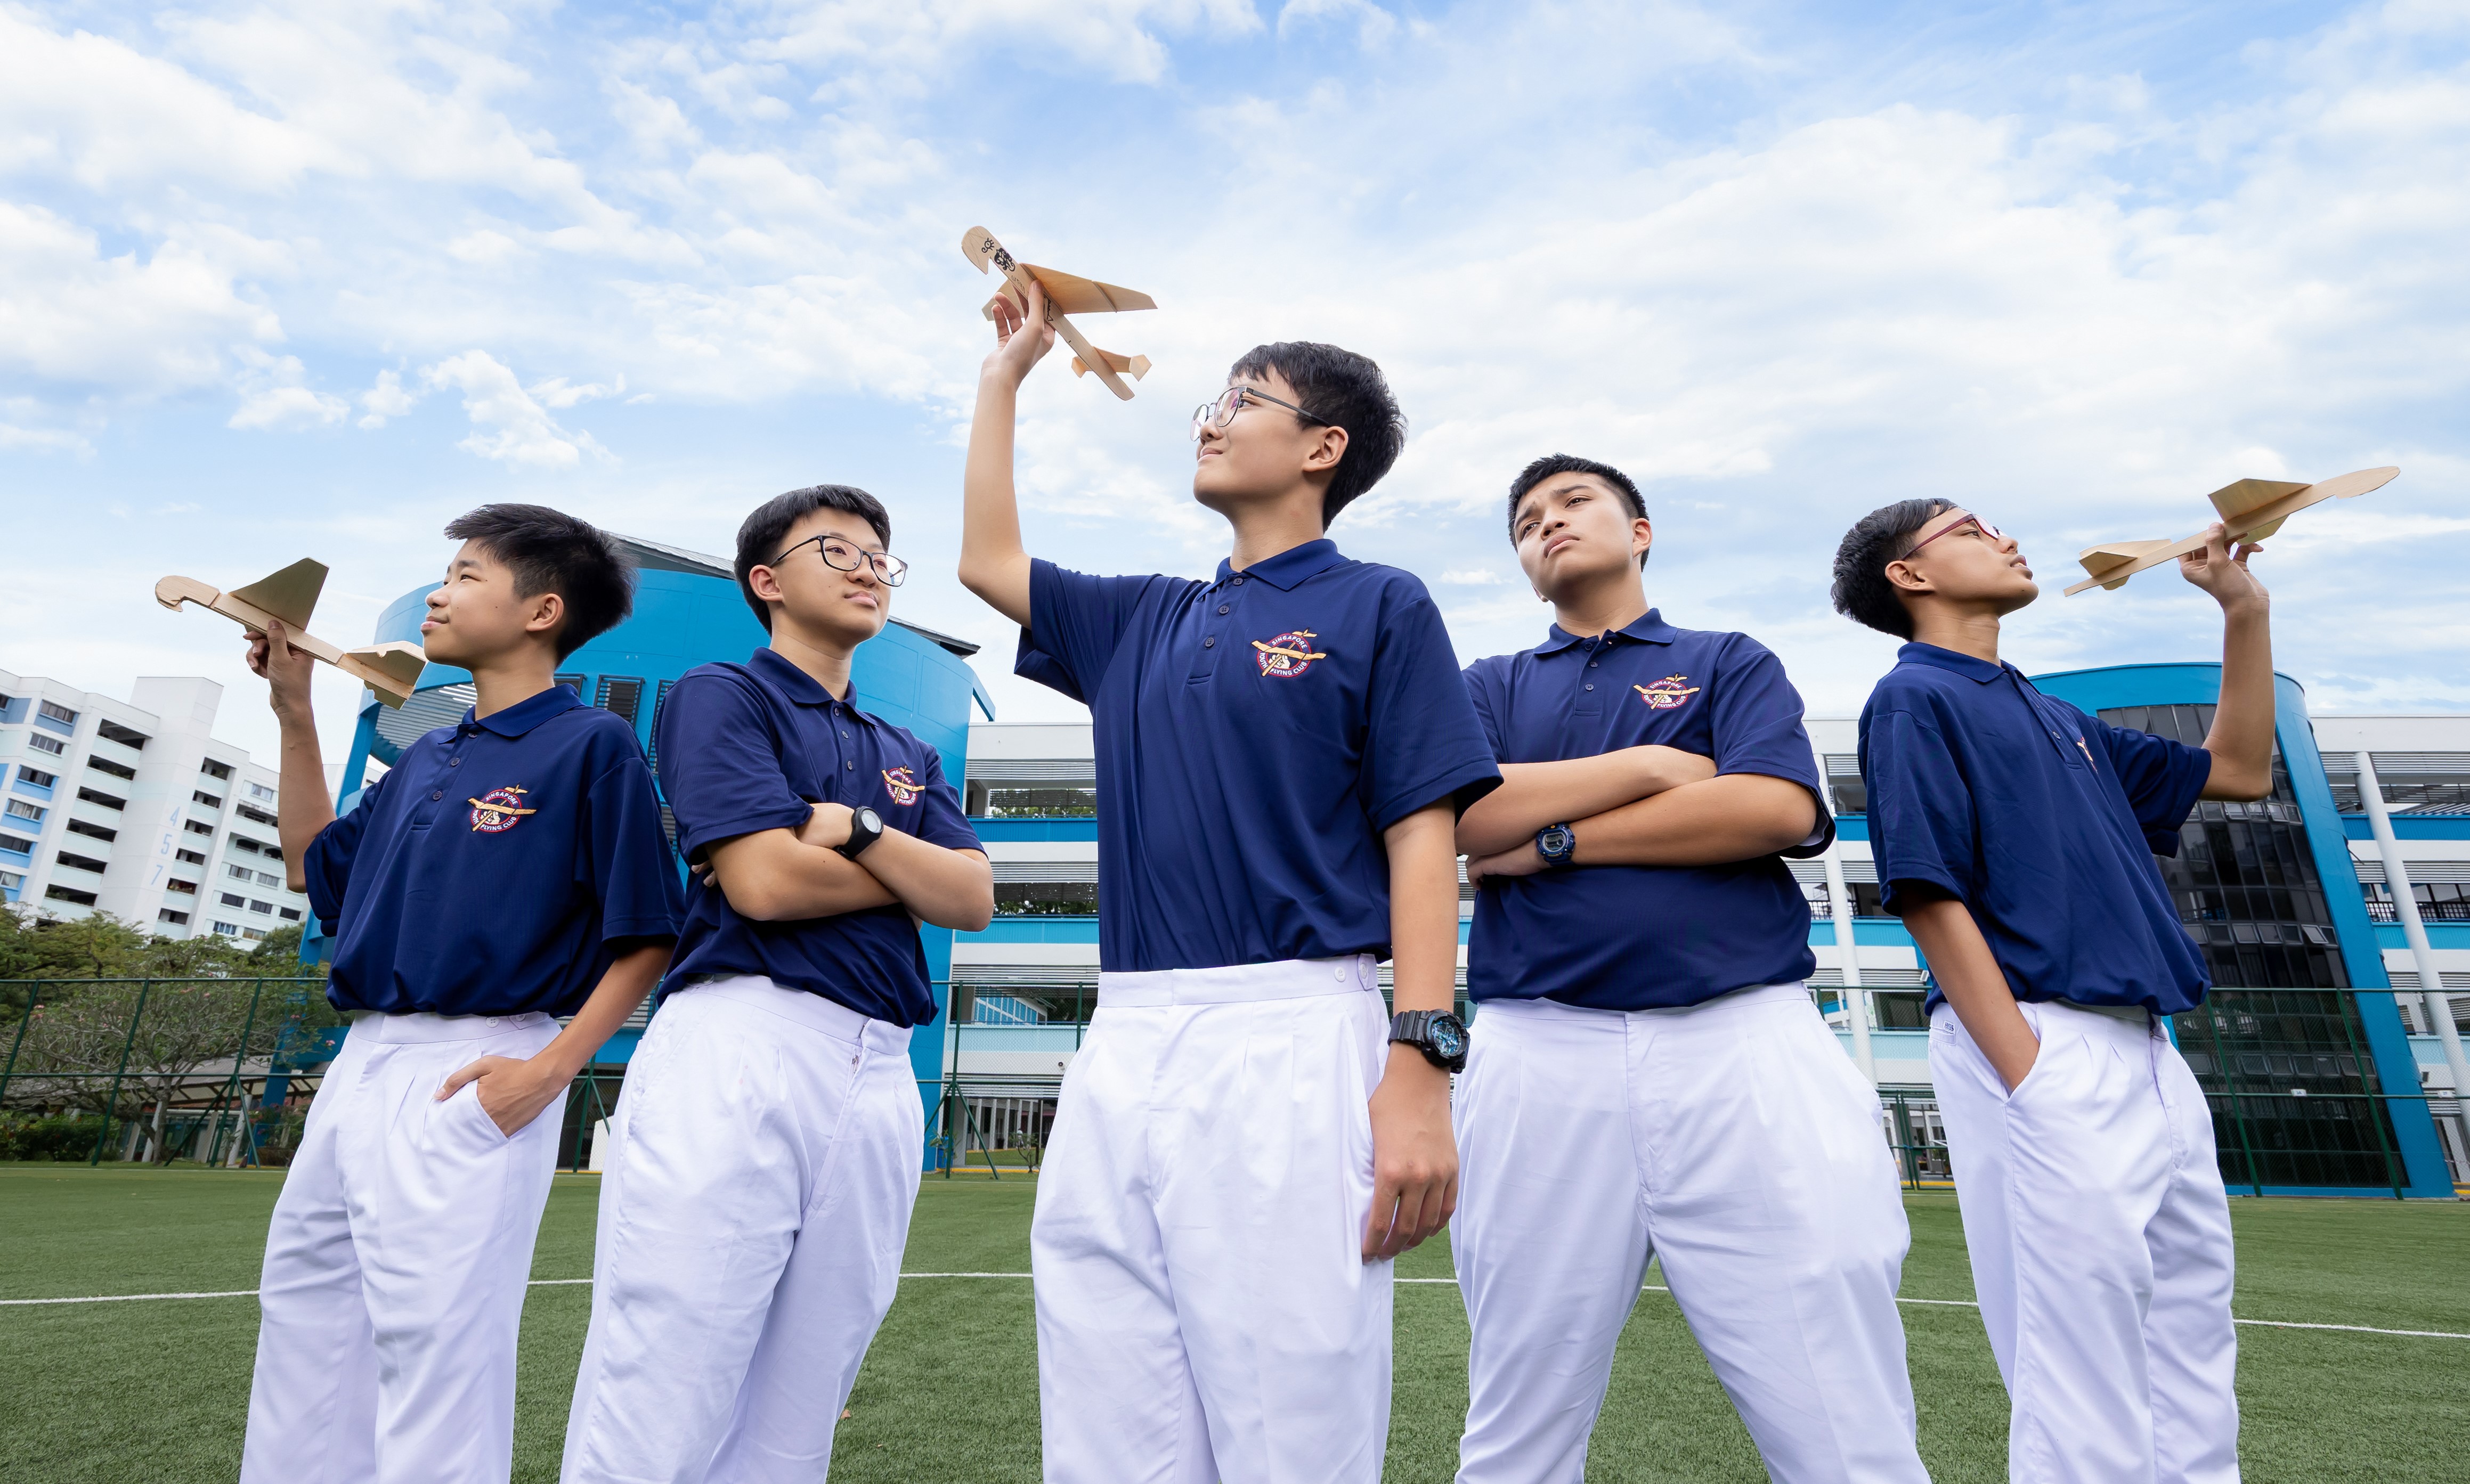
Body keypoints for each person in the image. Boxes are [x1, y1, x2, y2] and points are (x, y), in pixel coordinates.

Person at [958, 282, 1500, 1484]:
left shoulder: (1380, 602)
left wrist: (1419, 1064)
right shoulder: (1142, 616)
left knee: (1289, 1423)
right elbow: (986, 561)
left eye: (1244, 399)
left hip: (1297, 1030)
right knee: (1109, 1426)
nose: (1210, 418)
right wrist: (1006, 377)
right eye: (1212, 399)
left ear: (1321, 447)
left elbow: (1423, 837)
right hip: (1127, 1038)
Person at [1450, 455, 1929, 1484]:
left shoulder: (1726, 659)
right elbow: (1466, 816)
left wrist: (1553, 840)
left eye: (1574, 503)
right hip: (1541, 1044)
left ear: (1643, 529)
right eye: (1527, 522)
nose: (1549, 524)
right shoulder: (1487, 685)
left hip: (1743, 1038)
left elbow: (1773, 808)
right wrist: (1655, 767)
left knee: (1841, 1410)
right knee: (1516, 1416)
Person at [240, 505, 685, 1484]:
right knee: (304, 1324)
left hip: (479, 1068)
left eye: (466, 574)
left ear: (543, 610)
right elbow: (315, 866)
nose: (439, 593)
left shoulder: (592, 744)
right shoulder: (427, 756)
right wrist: (295, 713)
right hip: (360, 1067)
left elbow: (651, 931)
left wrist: (549, 1072)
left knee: (438, 1356)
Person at [561, 484, 993, 1483]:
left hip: (880, 1064)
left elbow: (972, 897)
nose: (869, 566)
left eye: (882, 553)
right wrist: (903, 873)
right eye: (836, 548)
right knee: (670, 1361)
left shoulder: (905, 749)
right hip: (742, 1041)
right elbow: (761, 883)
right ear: (767, 581)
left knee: (808, 1392)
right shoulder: (725, 693)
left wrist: (856, 827)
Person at [1835, 500, 2273, 1483]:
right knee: (2080, 1369)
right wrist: (2026, 1069)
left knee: (2191, 1343)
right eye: (1969, 527)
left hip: (2152, 1051)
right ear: (1910, 576)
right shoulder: (1913, 699)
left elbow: (2239, 770)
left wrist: (2241, 609)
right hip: (2037, 1041)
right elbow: (1927, 890)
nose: (2006, 537)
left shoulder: (2054, 713)